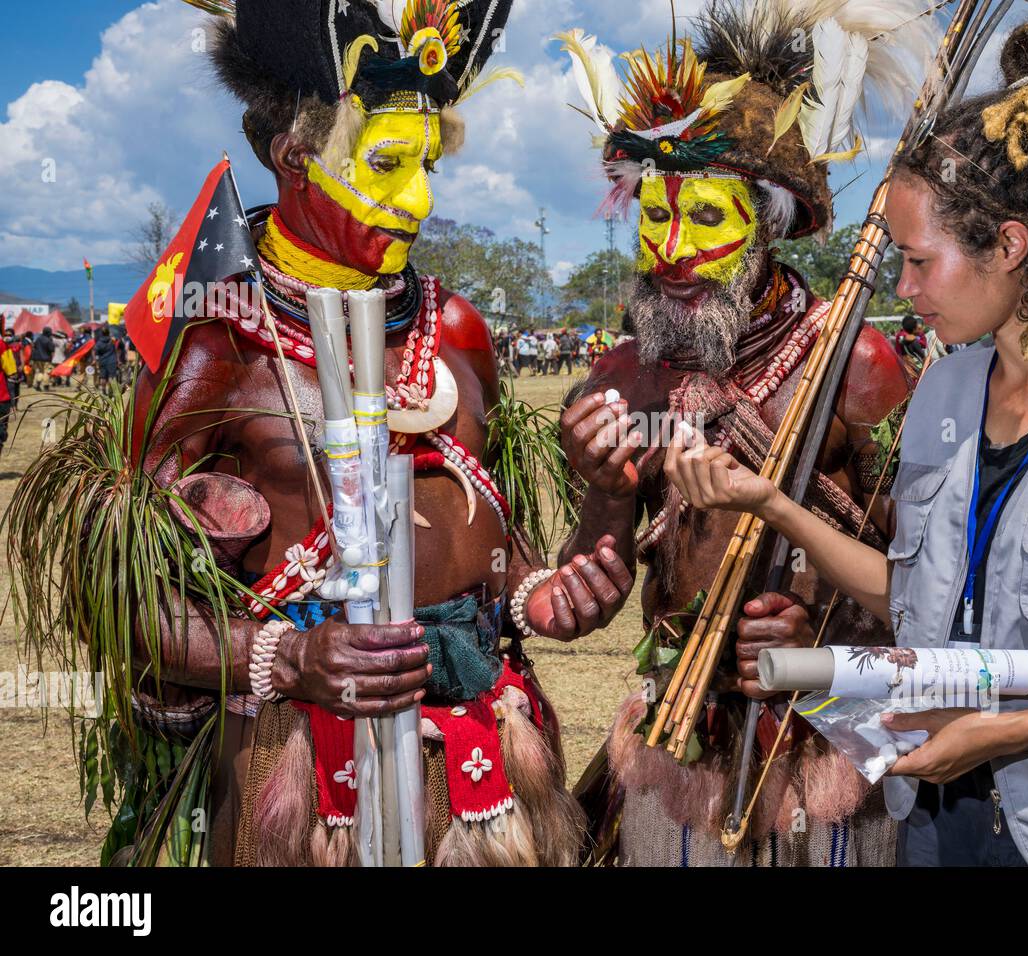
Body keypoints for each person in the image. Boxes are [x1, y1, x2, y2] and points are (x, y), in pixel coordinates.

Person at [663, 10, 1028, 867]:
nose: (901, 288)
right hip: (942, 827)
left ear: (1010, 245)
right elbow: (915, 601)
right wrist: (771, 504)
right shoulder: (945, 390)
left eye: (919, 261)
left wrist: (1003, 734)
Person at [41, 0, 635, 866]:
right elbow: (120, 597)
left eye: (428, 164)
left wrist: (535, 593)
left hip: (488, 753)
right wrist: (284, 657)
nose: (421, 198)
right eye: (388, 164)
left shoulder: (458, 328)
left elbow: (498, 540)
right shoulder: (218, 342)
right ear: (295, 157)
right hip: (298, 772)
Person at [555, 0, 927, 866]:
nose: (671, 249)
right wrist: (603, 497)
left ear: (768, 225)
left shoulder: (855, 363)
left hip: (827, 742)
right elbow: (599, 572)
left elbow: (923, 585)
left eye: (708, 219)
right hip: (679, 739)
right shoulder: (626, 374)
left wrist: (821, 645)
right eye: (653, 216)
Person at [92, 327, 118, 391]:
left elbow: (95, 352)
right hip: (112, 361)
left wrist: (95, 360)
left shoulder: (99, 342)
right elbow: (118, 342)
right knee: (111, 377)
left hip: (102, 361)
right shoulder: (112, 340)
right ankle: (110, 390)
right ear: (108, 333)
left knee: (103, 377)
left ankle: (103, 390)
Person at [30, 325, 55, 391]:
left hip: (37, 359)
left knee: (40, 372)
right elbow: (52, 350)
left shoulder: (38, 339)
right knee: (46, 372)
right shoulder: (48, 340)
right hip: (46, 359)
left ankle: (37, 384)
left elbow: (34, 347)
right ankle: (46, 386)